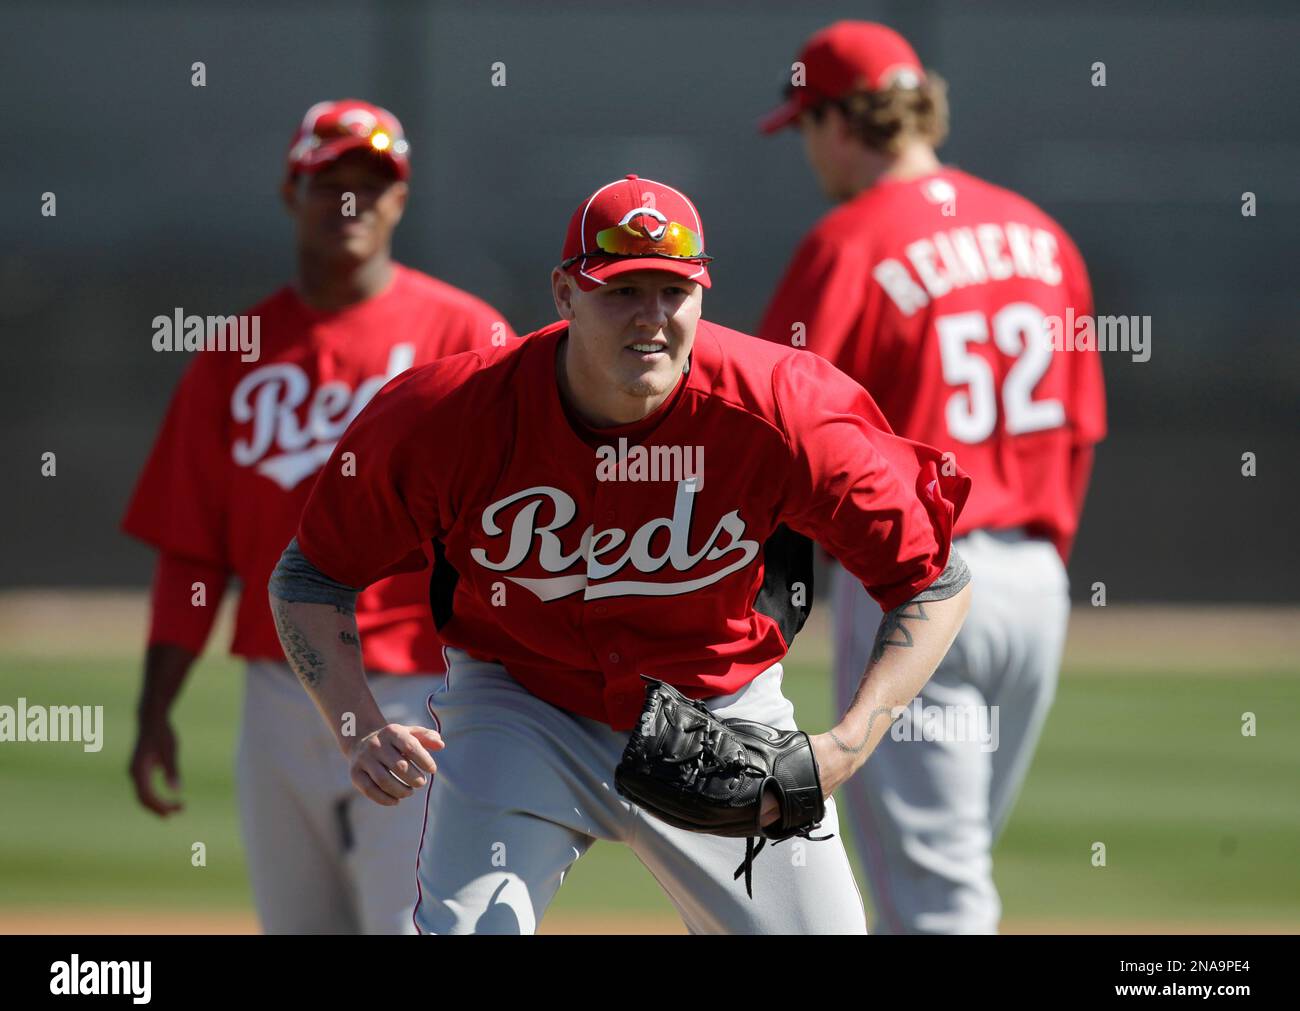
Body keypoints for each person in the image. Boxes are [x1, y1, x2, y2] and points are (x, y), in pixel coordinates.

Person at [267, 173, 973, 936]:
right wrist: (358, 724)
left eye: (674, 291)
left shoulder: (785, 409)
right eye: (622, 290)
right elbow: (310, 575)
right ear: (565, 296)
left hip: (721, 705)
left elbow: (935, 584)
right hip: (521, 706)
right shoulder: (448, 417)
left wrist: (845, 745)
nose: (652, 319)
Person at [122, 99, 513, 934]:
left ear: (400, 200)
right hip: (276, 693)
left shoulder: (466, 333)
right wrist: (155, 711)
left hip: (421, 690)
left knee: (413, 925)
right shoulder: (234, 352)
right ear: (291, 191)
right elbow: (192, 553)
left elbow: (516, 529)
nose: (351, 204)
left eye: (372, 186)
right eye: (331, 183)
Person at [758, 21, 1107, 933]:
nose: (807, 148)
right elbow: (1081, 428)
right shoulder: (1042, 235)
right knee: (953, 872)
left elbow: (772, 426)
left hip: (919, 589)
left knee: (934, 897)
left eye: (805, 124)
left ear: (842, 120)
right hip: (1036, 583)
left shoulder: (850, 242)